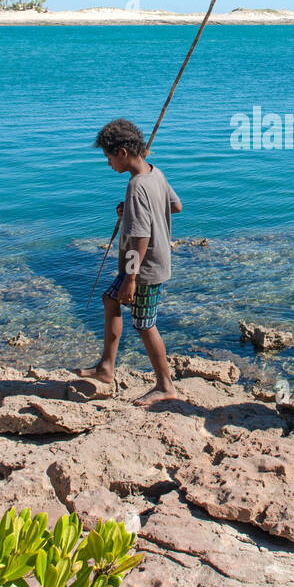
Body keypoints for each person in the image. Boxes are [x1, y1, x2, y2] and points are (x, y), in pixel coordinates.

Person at [76, 117, 181, 406]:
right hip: (145, 265)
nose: (108, 163)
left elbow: (141, 238)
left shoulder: (136, 185)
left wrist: (131, 279)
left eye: (108, 157)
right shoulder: (154, 173)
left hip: (144, 269)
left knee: (145, 324)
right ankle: (106, 368)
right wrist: (132, 212)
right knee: (110, 300)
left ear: (122, 152)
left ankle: (165, 385)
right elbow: (176, 205)